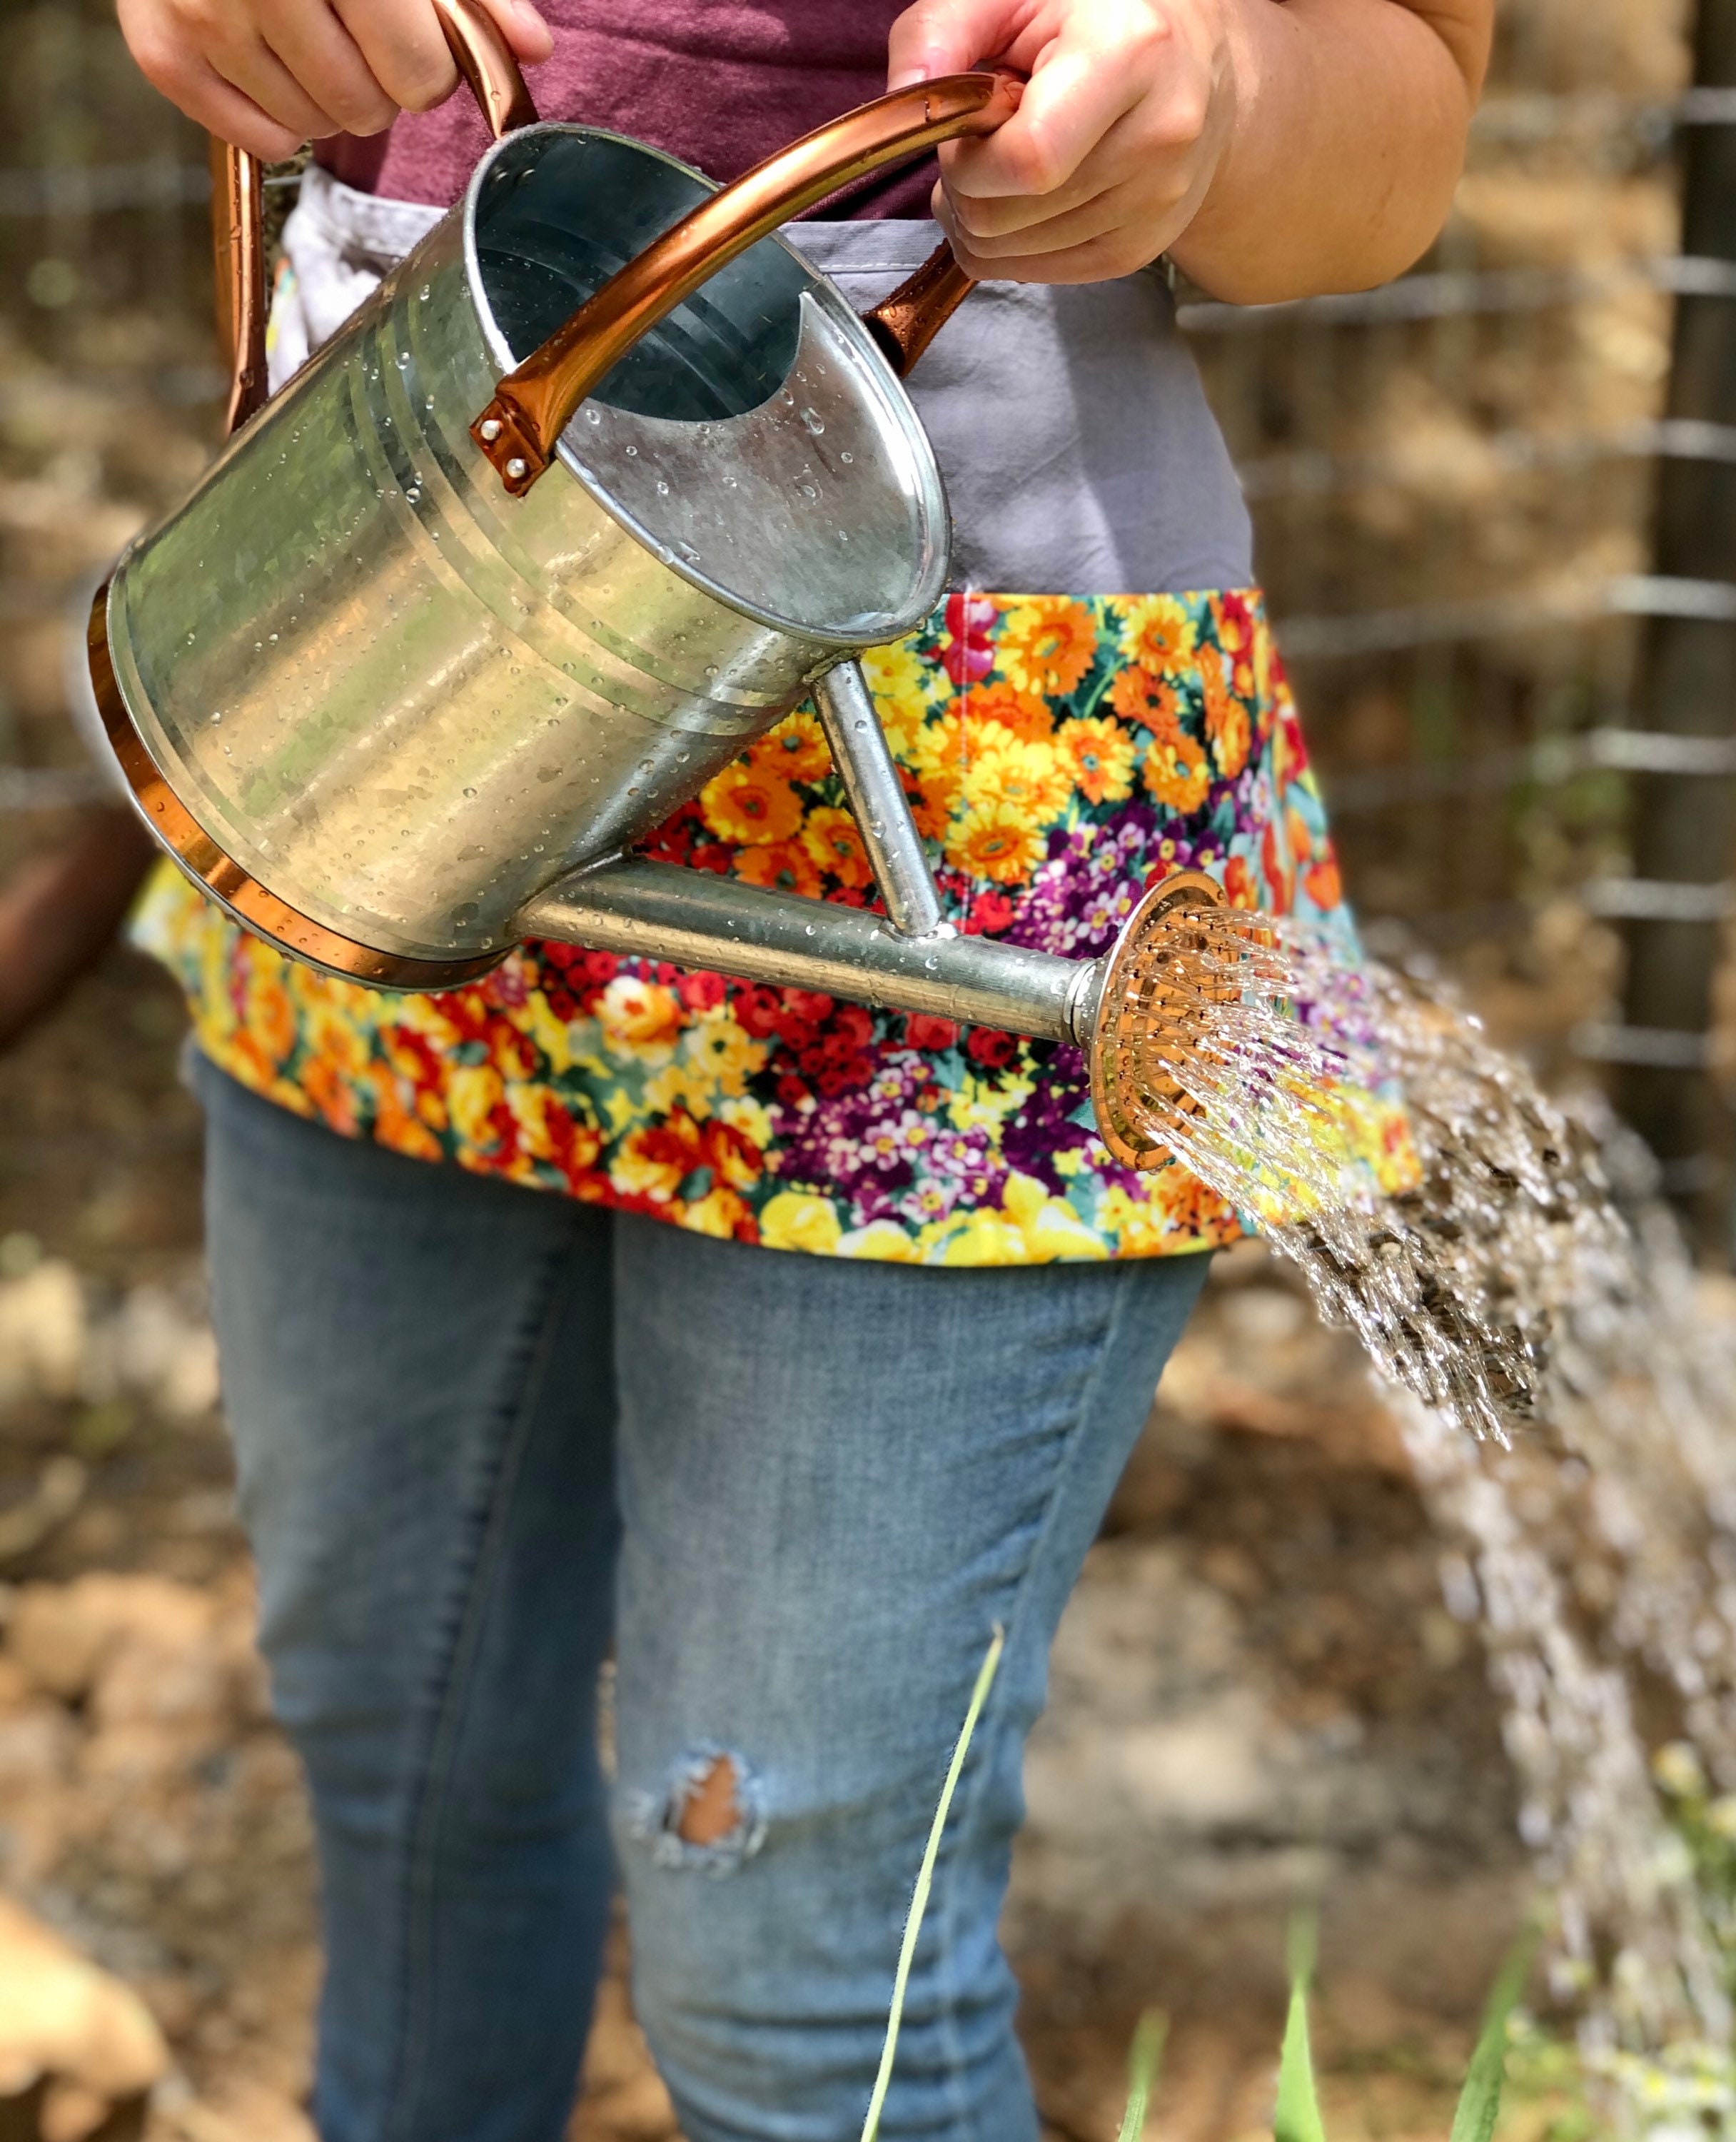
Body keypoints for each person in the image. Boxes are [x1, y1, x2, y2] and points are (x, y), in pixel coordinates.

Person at [110, 4, 1491, 2138]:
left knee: (789, 1970)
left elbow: (1400, 113)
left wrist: (1216, 91)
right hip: (395, 656)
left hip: (977, 777)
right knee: (404, 1758)